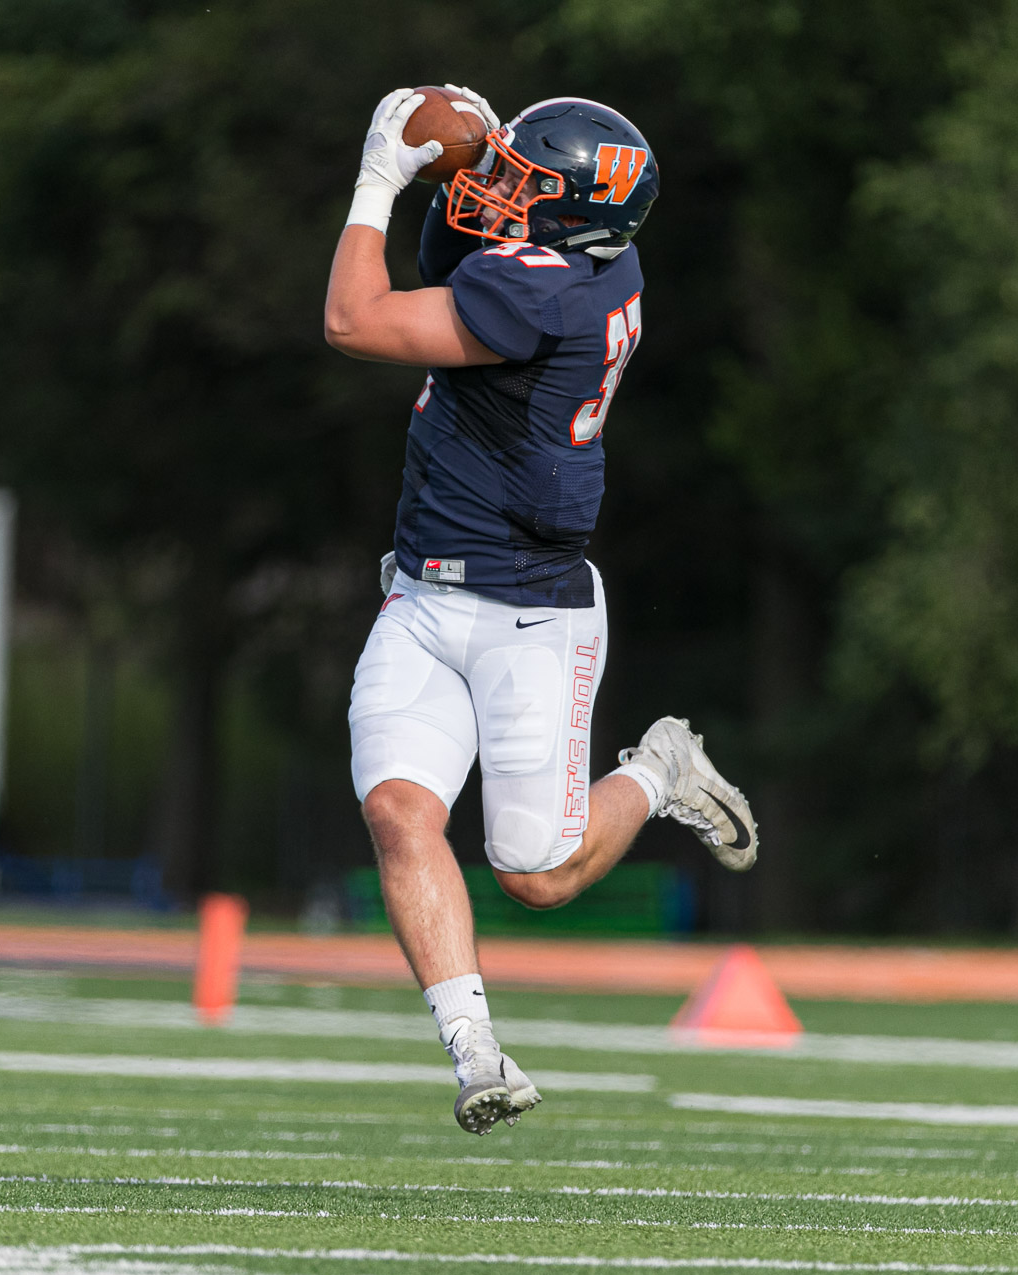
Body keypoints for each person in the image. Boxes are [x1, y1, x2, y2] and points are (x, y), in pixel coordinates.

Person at [325, 89, 759, 1134]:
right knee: (398, 811)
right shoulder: (590, 258)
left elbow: (355, 316)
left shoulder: (545, 294)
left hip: (531, 610)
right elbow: (463, 249)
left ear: (569, 221)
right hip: (424, 591)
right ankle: (475, 1050)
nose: (495, 190)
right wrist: (473, 151)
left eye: (522, 183)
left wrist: (383, 176)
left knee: (538, 876)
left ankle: (657, 770)